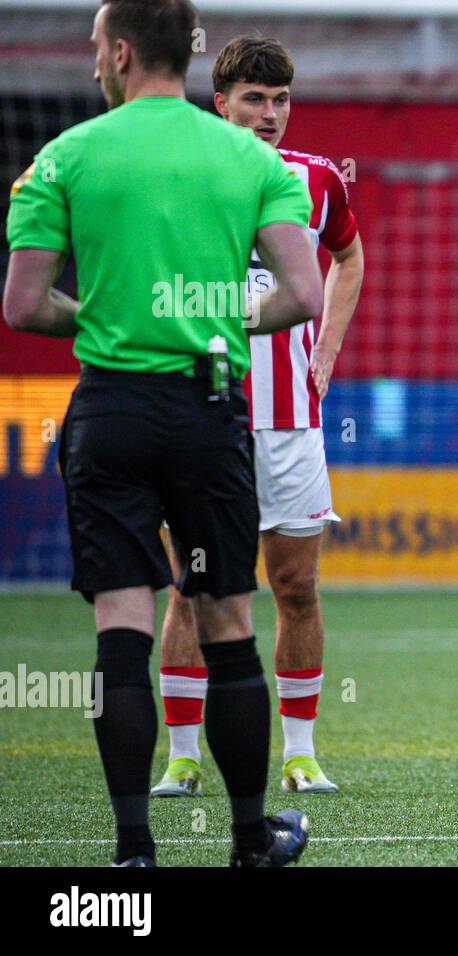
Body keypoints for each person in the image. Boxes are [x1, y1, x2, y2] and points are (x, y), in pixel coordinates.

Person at [3, 0, 323, 866]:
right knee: (227, 621)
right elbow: (304, 295)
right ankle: (252, 840)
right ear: (184, 52)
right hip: (207, 411)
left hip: (108, 412)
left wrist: (107, 318)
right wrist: (212, 318)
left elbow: (24, 304)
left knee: (122, 629)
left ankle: (133, 849)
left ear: (115, 52)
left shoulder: (62, 158)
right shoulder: (248, 157)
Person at [151, 33, 363, 801]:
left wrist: (327, 350)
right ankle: (182, 756)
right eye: (254, 99)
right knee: (192, 587)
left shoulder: (315, 182)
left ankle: (300, 754)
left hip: (293, 421)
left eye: (280, 100)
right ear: (220, 103)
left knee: (297, 587)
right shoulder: (179, 180)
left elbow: (351, 256)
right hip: (202, 416)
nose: (270, 114)